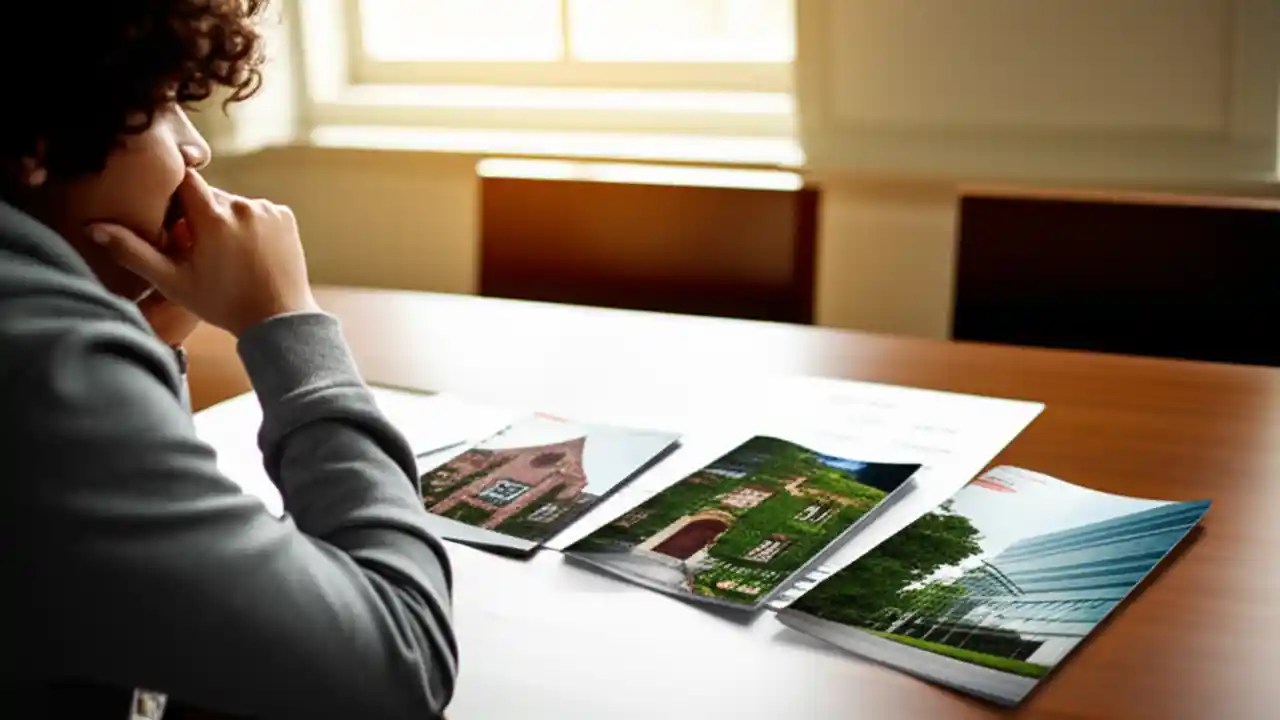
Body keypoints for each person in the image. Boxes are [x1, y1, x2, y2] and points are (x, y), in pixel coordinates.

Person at [1, 2, 457, 718]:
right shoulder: (45, 368)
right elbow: (399, 663)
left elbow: (112, 594)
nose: (195, 149)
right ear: (31, 132)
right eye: (159, 105)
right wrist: (289, 324)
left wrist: (146, 342)